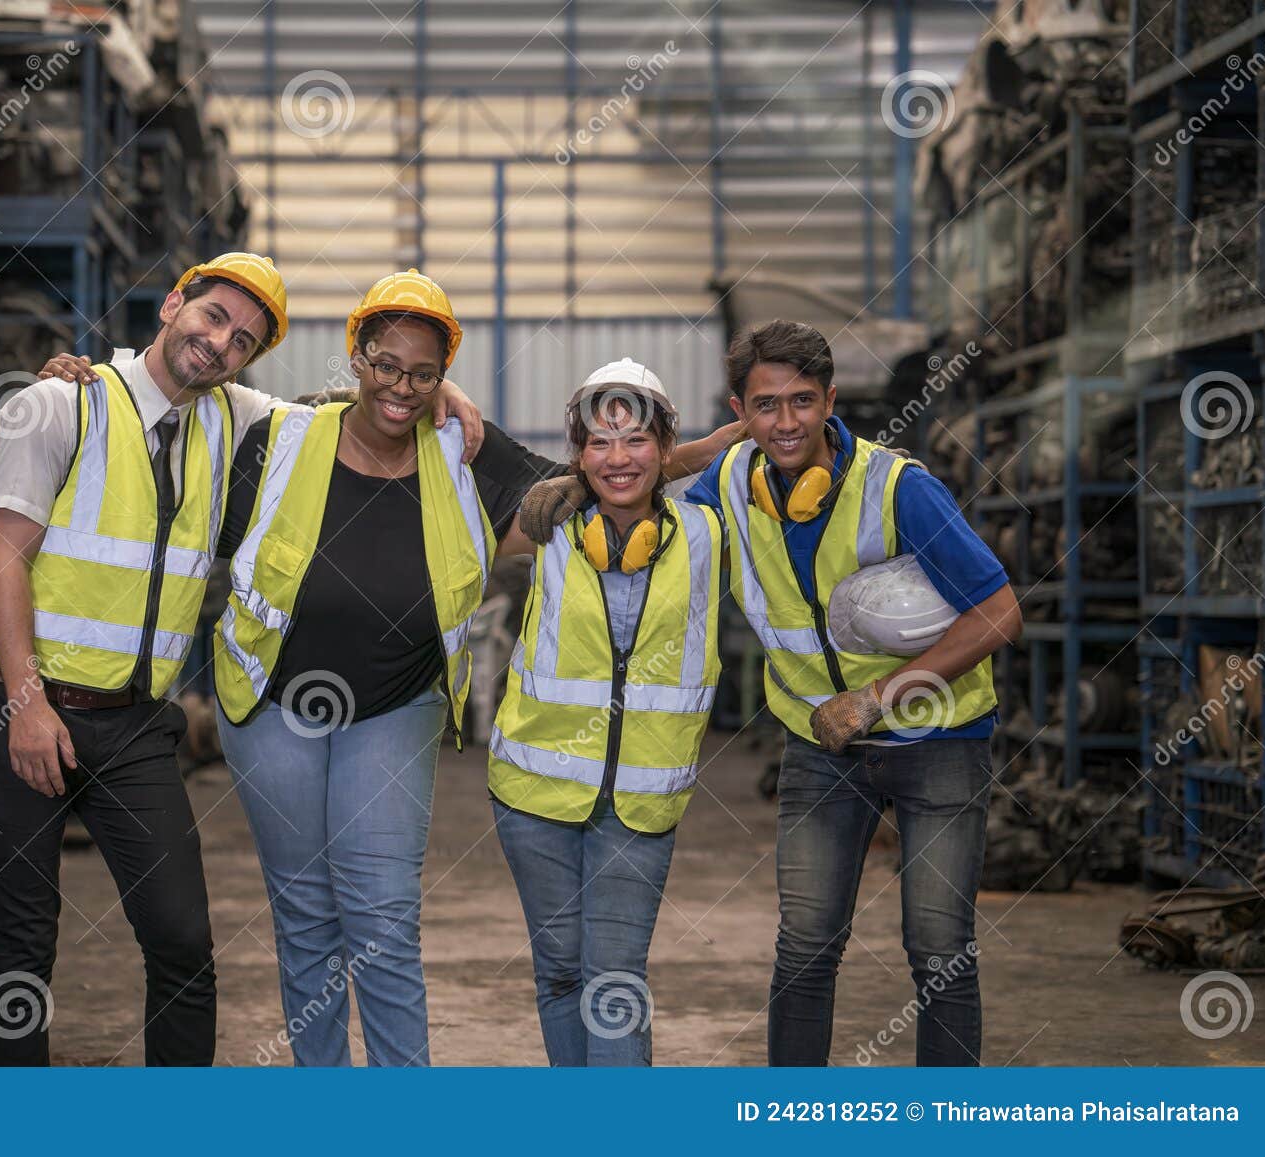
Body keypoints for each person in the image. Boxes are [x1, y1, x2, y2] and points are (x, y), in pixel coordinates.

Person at [208, 271, 743, 1067]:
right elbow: (183, 425)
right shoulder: (281, 435)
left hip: (394, 706)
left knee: (384, 919)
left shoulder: (467, 452)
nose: (401, 387)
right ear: (355, 357)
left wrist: (732, 441)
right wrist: (81, 378)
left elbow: (608, 475)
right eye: (386, 364)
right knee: (305, 917)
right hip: (271, 704)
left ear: (443, 377)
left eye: (424, 373)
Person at [0, 251, 483, 1067]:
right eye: (212, 318)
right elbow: (1, 553)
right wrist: (26, 703)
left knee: (181, 943)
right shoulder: (61, 404)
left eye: (242, 340)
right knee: (20, 947)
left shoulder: (236, 418)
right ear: (174, 303)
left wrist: (434, 388)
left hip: (133, 722)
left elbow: (351, 406)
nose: (219, 345)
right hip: (22, 704)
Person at [523, 319, 1021, 1066]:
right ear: (740, 412)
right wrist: (581, 479)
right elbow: (650, 481)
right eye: (766, 406)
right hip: (819, 747)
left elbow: (1001, 611)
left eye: (801, 401)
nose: (785, 422)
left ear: (828, 402)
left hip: (938, 739)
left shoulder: (898, 487)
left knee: (938, 945)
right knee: (807, 944)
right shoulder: (731, 485)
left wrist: (878, 697)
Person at [490, 359, 729, 1066]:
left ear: (664, 446)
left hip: (640, 804)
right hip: (533, 796)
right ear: (577, 452)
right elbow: (451, 417)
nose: (617, 458)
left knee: (615, 979)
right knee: (560, 974)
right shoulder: (547, 526)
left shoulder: (711, 533)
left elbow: (768, 439)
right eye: (598, 442)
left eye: (636, 440)